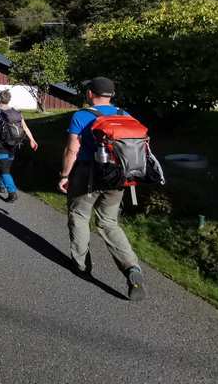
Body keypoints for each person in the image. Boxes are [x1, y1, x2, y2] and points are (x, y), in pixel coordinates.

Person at [58, 76, 146, 301]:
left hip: (87, 175)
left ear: (90, 94)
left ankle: (81, 265)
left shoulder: (82, 116)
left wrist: (65, 175)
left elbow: (72, 150)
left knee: (79, 215)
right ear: (111, 95)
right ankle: (132, 268)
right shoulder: (126, 116)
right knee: (108, 222)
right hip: (118, 177)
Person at [0, 89, 38, 203]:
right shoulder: (17, 113)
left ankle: (12, 192)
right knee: (5, 166)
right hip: (14, 144)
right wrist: (32, 140)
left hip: (1, 145)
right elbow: (25, 128)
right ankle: (0, 185)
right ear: (9, 99)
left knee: (4, 169)